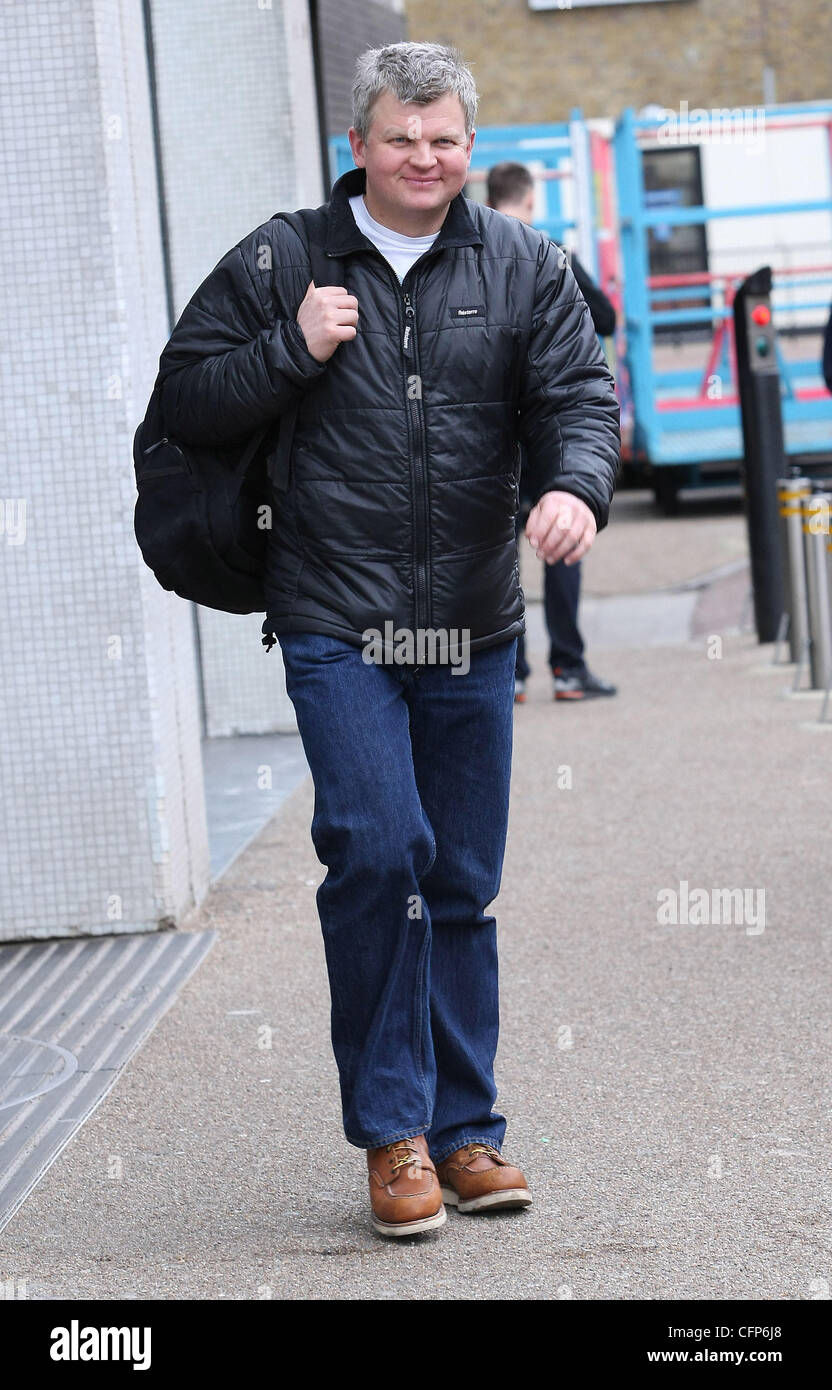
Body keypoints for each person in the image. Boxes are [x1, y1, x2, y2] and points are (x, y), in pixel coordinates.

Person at [155, 41, 620, 1237]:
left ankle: (469, 1133)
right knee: (377, 849)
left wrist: (574, 486)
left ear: (470, 145)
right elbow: (186, 403)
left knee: (459, 882)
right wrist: (290, 346)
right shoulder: (280, 260)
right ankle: (395, 1135)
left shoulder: (521, 263)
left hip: (472, 621)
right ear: (355, 145)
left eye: (446, 138)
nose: (425, 158)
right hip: (336, 619)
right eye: (402, 138)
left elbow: (579, 394)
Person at [486, 161, 619, 703]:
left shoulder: (463, 256)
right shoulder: (548, 255)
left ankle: (510, 674)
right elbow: (606, 318)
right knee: (562, 540)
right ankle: (567, 667)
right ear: (531, 201)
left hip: (488, 440)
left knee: (497, 553)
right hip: (546, 436)